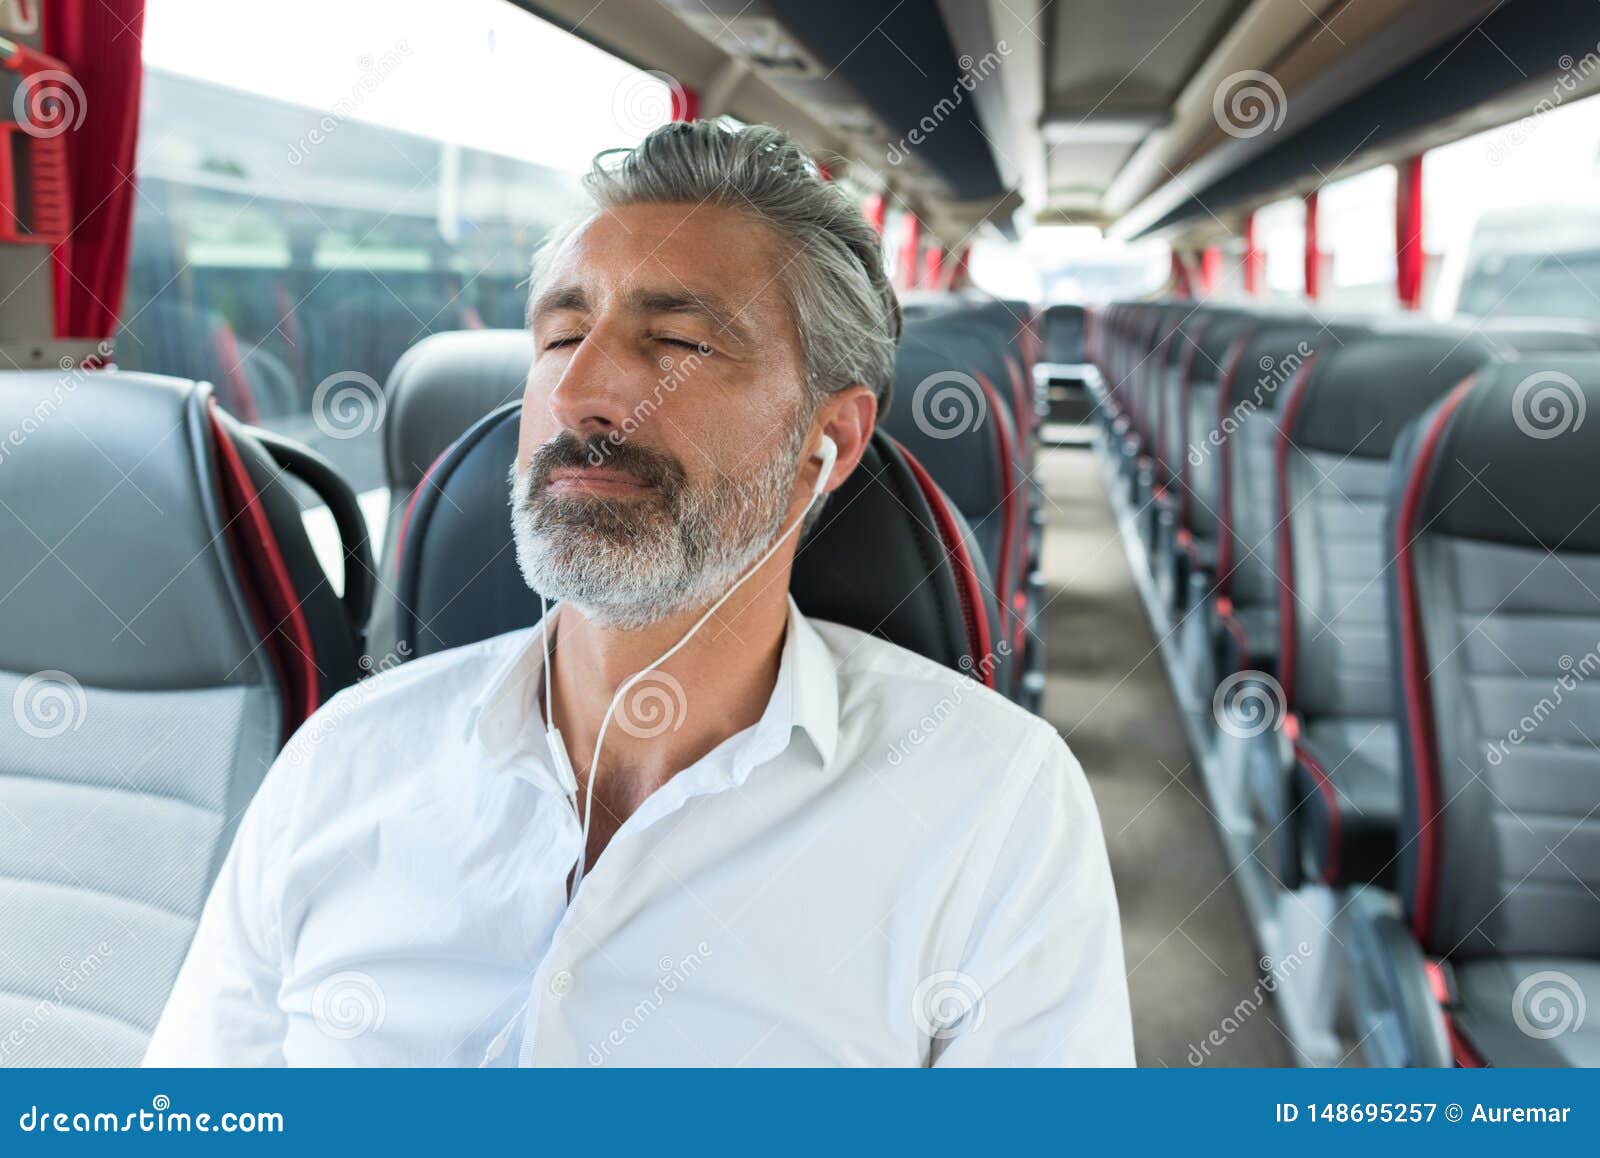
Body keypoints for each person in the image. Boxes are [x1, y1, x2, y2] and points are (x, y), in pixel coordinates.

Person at [144, 120, 1132, 1066]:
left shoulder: (991, 802)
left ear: (828, 441)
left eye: (678, 343)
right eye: (561, 338)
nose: (581, 395)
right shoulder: (340, 765)